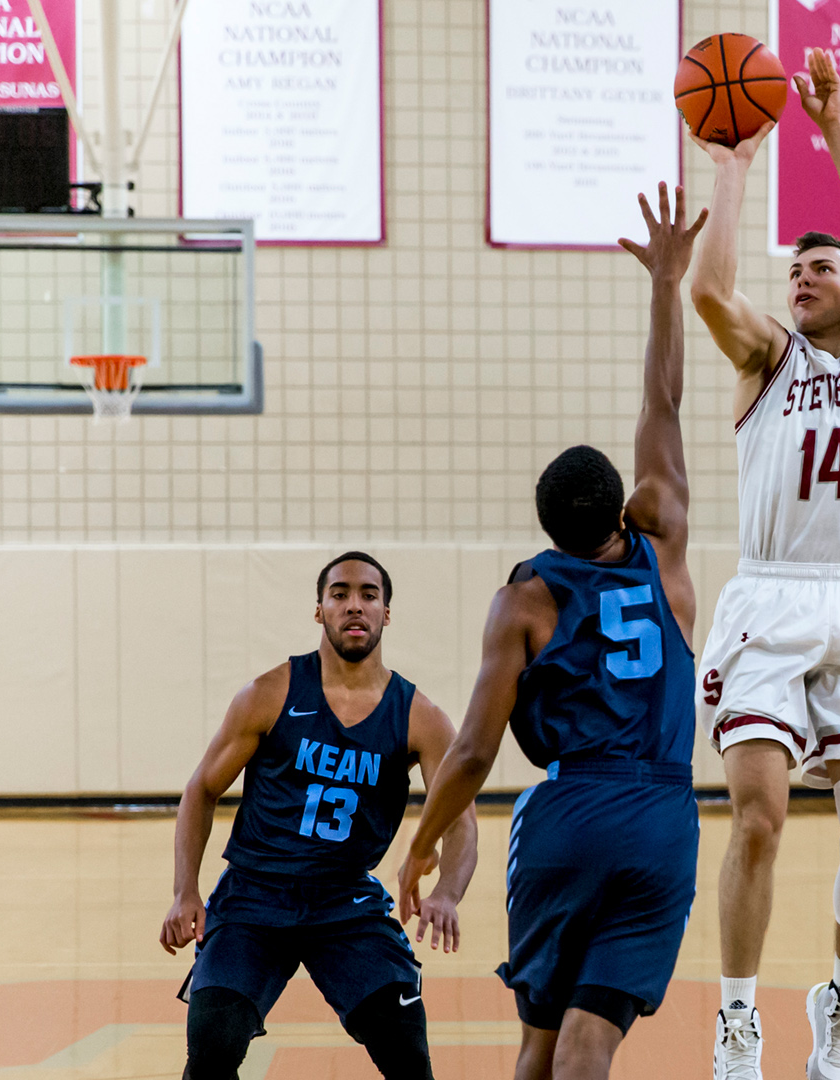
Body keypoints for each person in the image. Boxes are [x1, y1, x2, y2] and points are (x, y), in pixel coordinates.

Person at [392, 184, 707, 1080]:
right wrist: (663, 283)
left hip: (570, 812)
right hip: (661, 815)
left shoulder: (525, 599)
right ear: (623, 504)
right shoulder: (665, 545)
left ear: (546, 525)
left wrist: (421, 849)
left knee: (539, 1038)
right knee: (592, 1037)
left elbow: (471, 756)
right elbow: (664, 402)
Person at [687, 46, 840, 1080]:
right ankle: (738, 1019)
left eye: (824, 269)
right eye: (798, 271)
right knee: (763, 818)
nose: (805, 277)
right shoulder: (765, 357)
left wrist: (829, 127)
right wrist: (735, 159)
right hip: (771, 597)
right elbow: (708, 287)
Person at [161, 551, 478, 1080]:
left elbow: (462, 819)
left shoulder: (419, 715)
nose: (354, 605)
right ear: (319, 610)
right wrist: (185, 890)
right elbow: (202, 789)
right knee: (213, 1043)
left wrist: (447, 892)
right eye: (340, 593)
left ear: (386, 613)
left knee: (407, 1052)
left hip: (345, 899)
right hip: (254, 896)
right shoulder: (270, 693)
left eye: (369, 595)